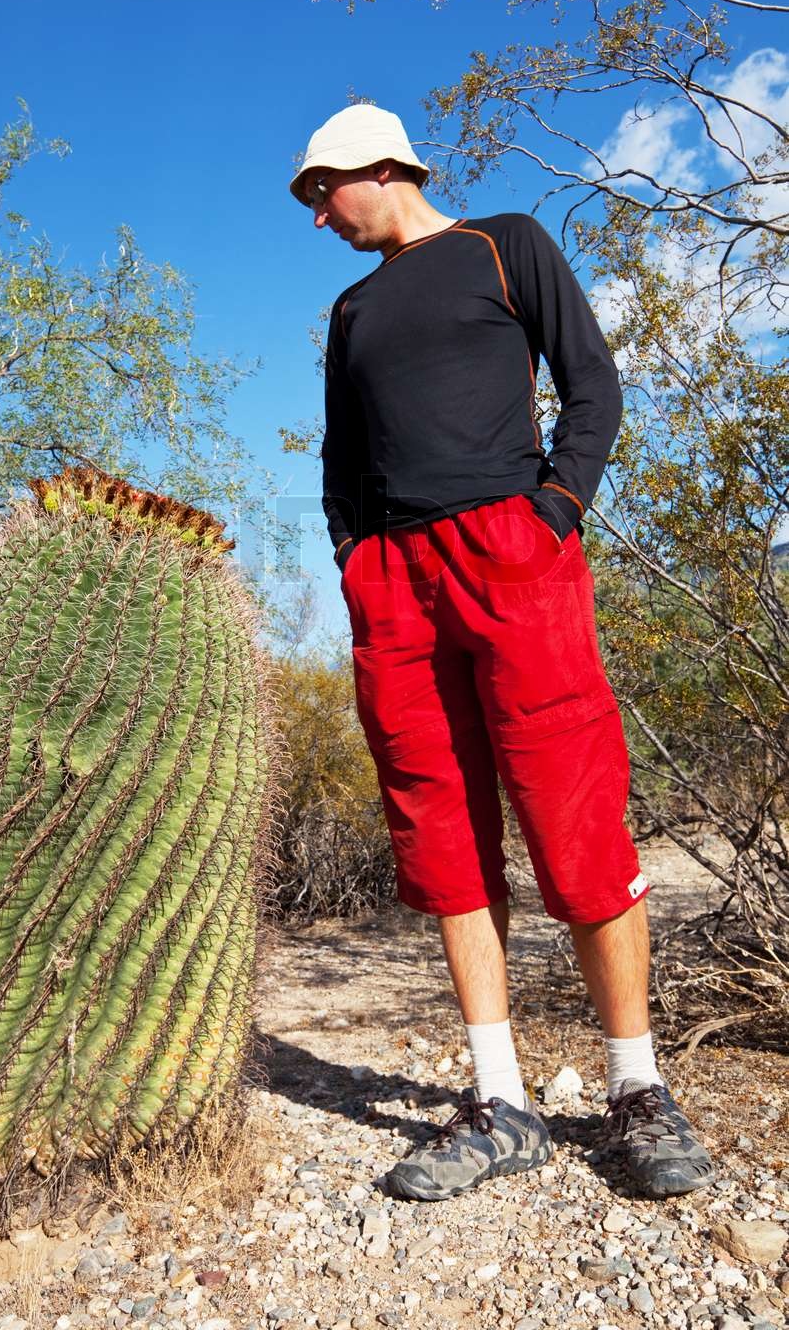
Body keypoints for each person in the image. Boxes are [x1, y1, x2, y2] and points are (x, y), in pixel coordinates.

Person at [290, 102, 714, 1201]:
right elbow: (340, 458)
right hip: (395, 584)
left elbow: (591, 384)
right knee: (439, 828)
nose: (316, 215)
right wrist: (355, 559)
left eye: (320, 192)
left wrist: (551, 514)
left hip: (511, 558)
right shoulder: (350, 309)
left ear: (378, 168)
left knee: (572, 808)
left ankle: (635, 1089)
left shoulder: (503, 243)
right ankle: (499, 1101)